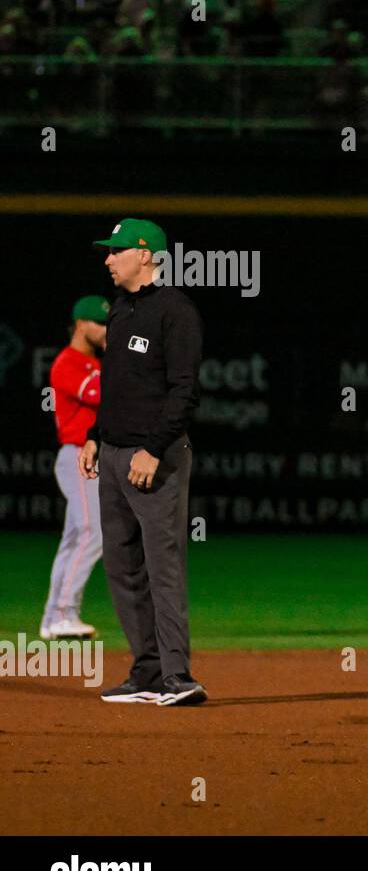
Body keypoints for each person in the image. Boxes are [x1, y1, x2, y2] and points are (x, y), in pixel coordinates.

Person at [79, 219, 206, 707]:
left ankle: (178, 677)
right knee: (123, 567)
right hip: (111, 456)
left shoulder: (176, 312)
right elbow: (117, 387)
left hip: (156, 458)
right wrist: (95, 436)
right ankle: (147, 671)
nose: (107, 259)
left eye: (115, 251)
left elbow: (184, 391)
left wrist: (153, 448)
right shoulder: (121, 312)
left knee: (163, 566)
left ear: (146, 255)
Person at [40, 295, 110, 641]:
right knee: (92, 531)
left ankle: (53, 618)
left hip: (90, 457)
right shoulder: (67, 362)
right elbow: (102, 394)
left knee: (74, 539)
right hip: (78, 456)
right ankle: (65, 612)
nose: (105, 329)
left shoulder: (97, 362)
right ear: (81, 324)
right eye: (100, 323)